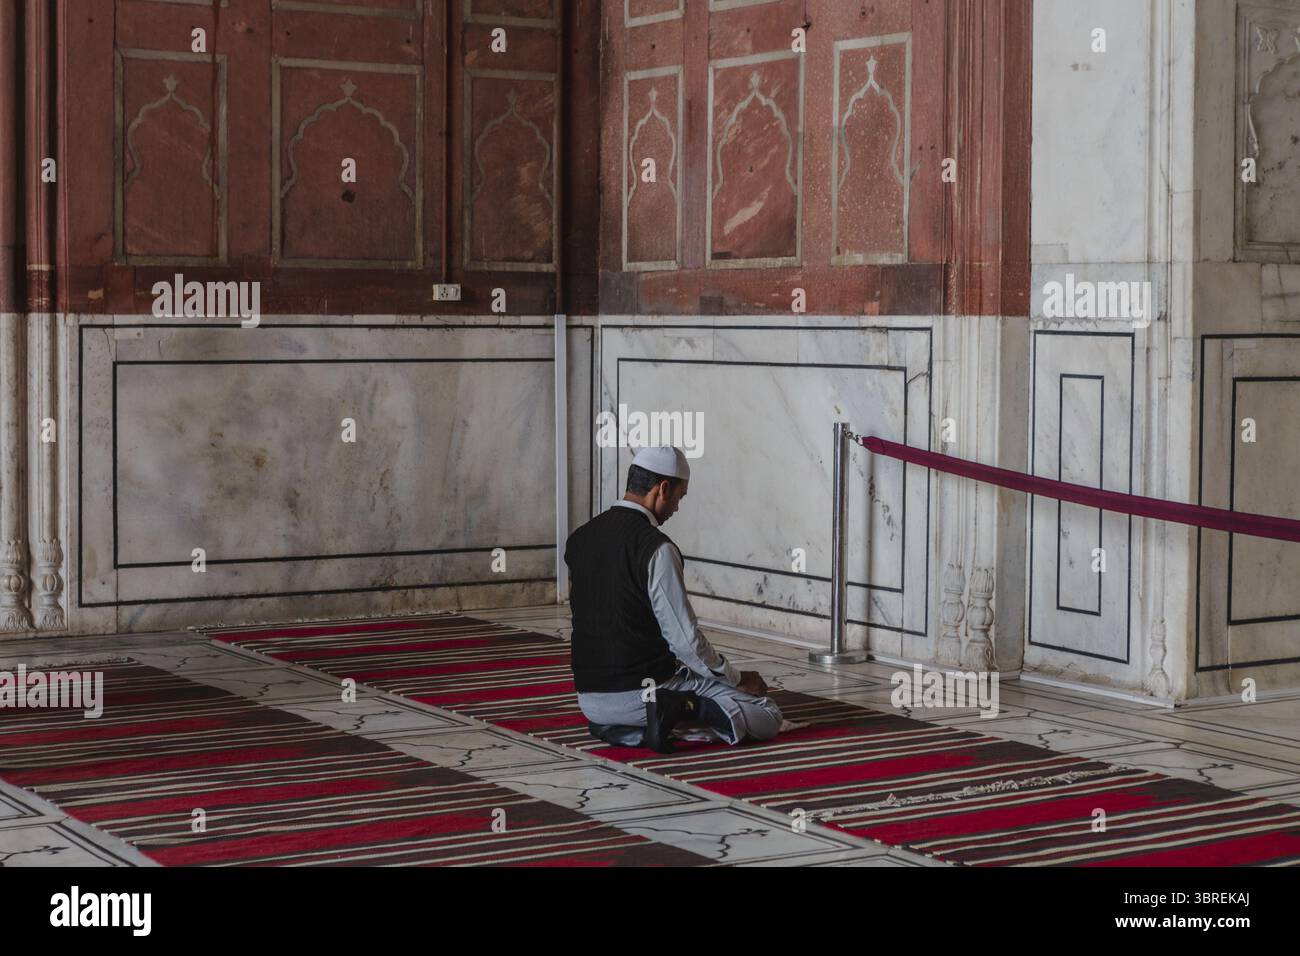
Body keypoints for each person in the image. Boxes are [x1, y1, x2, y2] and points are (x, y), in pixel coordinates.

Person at [564, 445, 783, 752]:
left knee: (692, 685)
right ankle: (681, 709)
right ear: (663, 488)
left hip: (589, 699)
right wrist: (735, 678)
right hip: (646, 691)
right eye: (680, 497)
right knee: (767, 715)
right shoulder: (657, 548)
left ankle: (637, 732)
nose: (677, 508)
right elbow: (684, 640)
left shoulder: (580, 538)